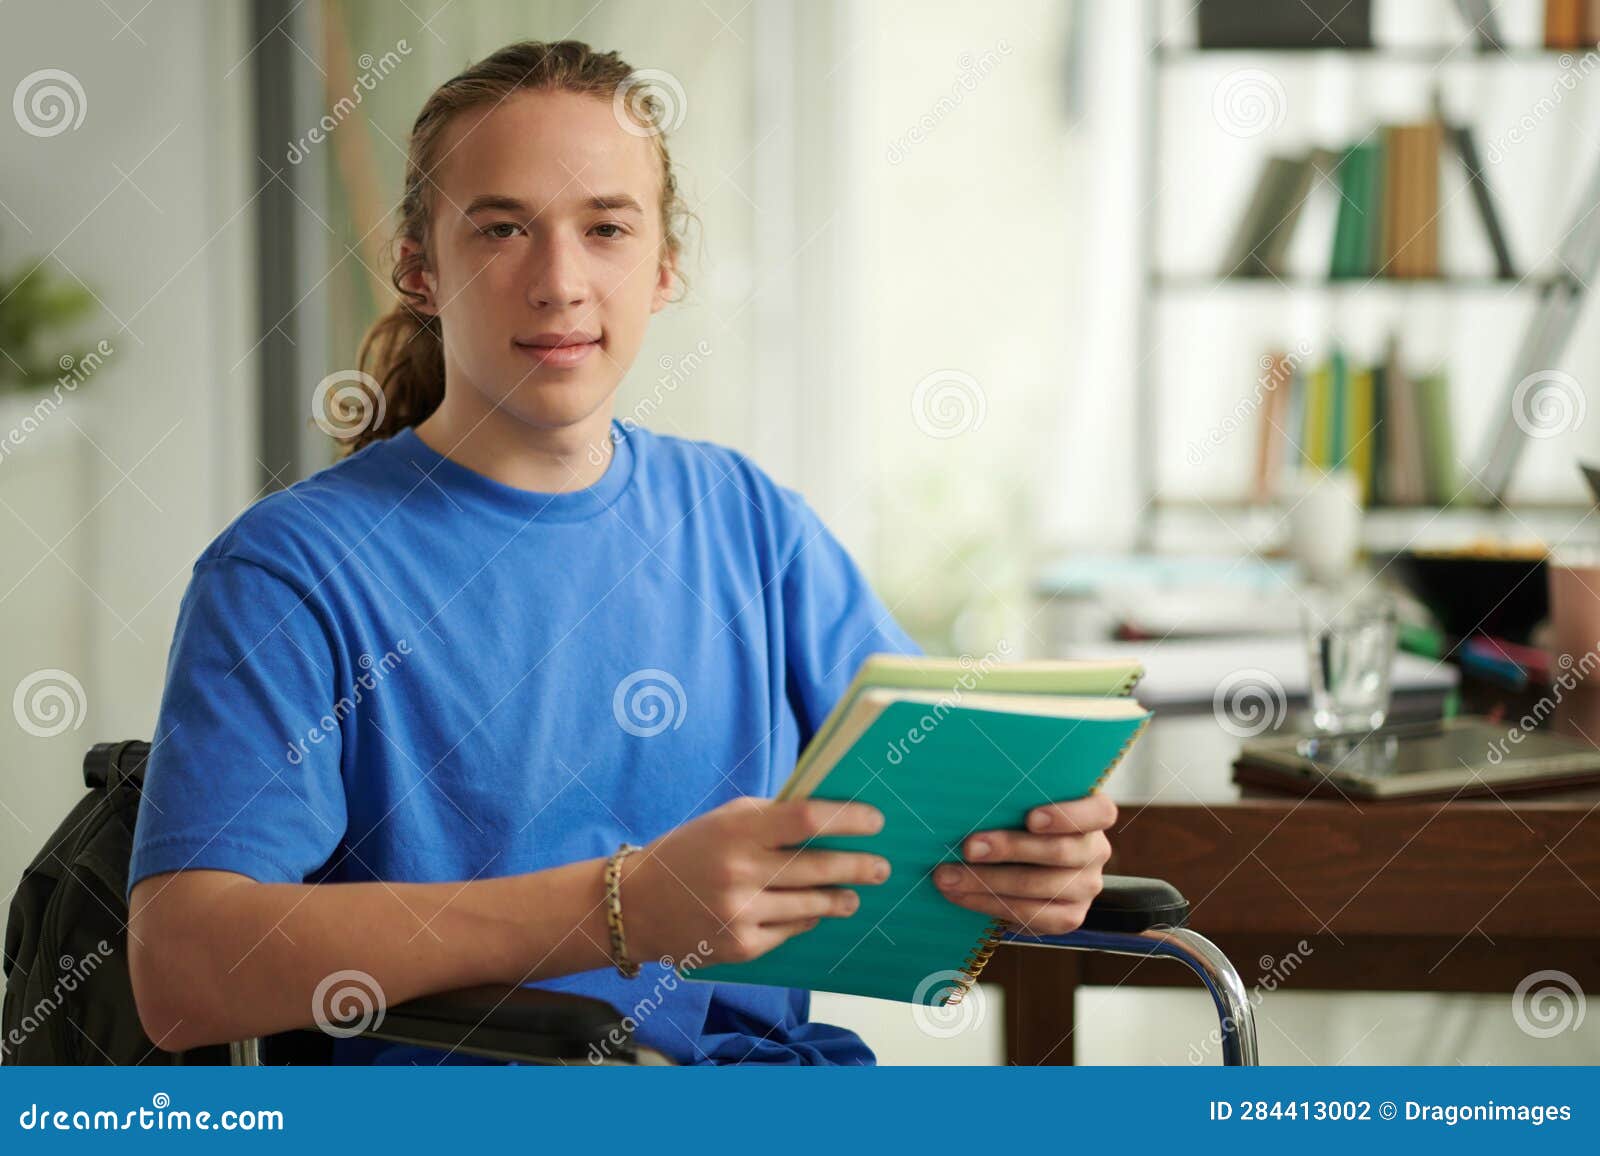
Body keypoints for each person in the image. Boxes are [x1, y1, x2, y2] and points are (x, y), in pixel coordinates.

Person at [126, 39, 1116, 1065]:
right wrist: (623, 907)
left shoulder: (747, 520)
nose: (560, 283)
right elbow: (184, 971)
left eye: (605, 228)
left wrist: (1024, 856)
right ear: (420, 269)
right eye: (502, 229)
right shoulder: (289, 572)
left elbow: (931, 804)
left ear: (663, 267)